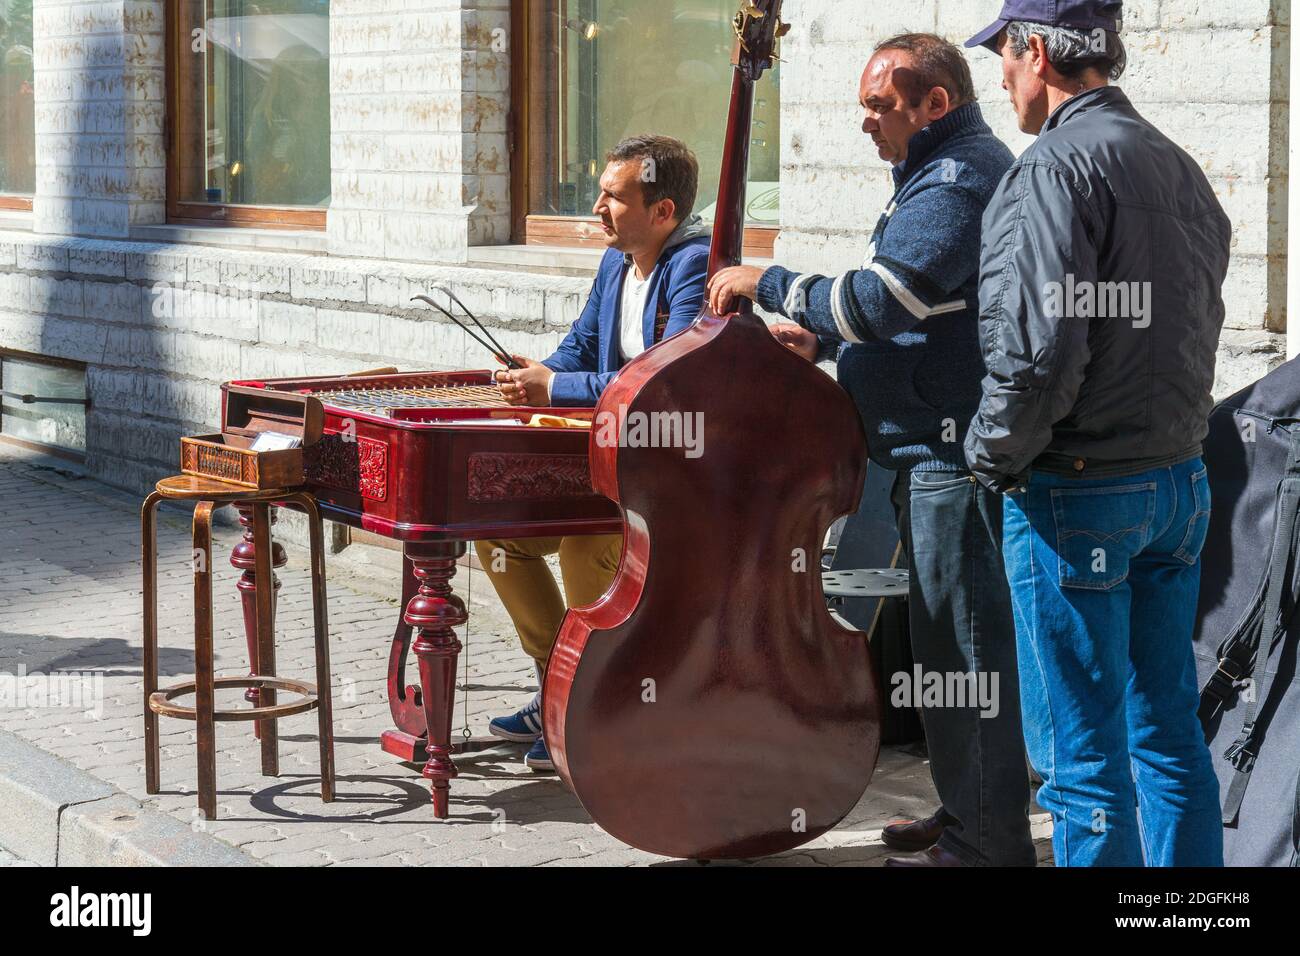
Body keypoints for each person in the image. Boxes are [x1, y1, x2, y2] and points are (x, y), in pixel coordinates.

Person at [709, 34, 1034, 867]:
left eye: (878, 105)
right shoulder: (936, 174)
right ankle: (968, 815)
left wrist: (771, 282)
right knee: (944, 655)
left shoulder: (959, 178)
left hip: (949, 463)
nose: (864, 122)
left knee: (962, 659)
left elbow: (885, 300)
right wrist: (830, 353)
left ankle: (986, 844)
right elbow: (915, 322)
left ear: (937, 104)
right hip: (924, 456)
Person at [964, 1, 1230, 866]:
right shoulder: (1175, 162)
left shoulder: (1053, 167)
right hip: (1175, 485)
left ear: (1035, 51)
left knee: (1082, 764)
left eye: (1004, 58)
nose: (1000, 79)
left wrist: (989, 458)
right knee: (1168, 737)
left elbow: (1037, 353)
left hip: (1081, 489)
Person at [479, 135, 711, 772]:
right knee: (497, 536)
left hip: (667, 478)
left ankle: (597, 703)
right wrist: (534, 375)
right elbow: (583, 346)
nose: (597, 209)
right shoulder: (615, 261)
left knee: (587, 550)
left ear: (662, 212)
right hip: (609, 468)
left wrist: (553, 388)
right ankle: (561, 684)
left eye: (613, 197)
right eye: (600, 193)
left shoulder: (695, 264)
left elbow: (661, 379)